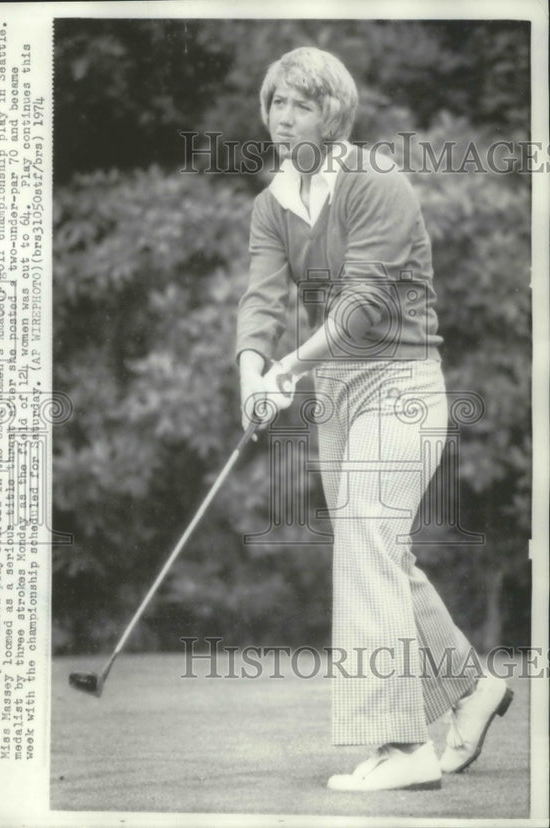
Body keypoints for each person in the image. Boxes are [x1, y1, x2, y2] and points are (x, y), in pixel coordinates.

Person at [236, 46, 513, 792]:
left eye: (298, 103)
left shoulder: (376, 182)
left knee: (365, 539)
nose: (281, 116)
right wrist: (251, 373)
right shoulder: (273, 204)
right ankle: (473, 690)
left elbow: (361, 309)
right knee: (383, 550)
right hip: (337, 394)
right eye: (274, 104)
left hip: (402, 382)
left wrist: (287, 369)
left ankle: (401, 747)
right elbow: (262, 302)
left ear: (333, 112)